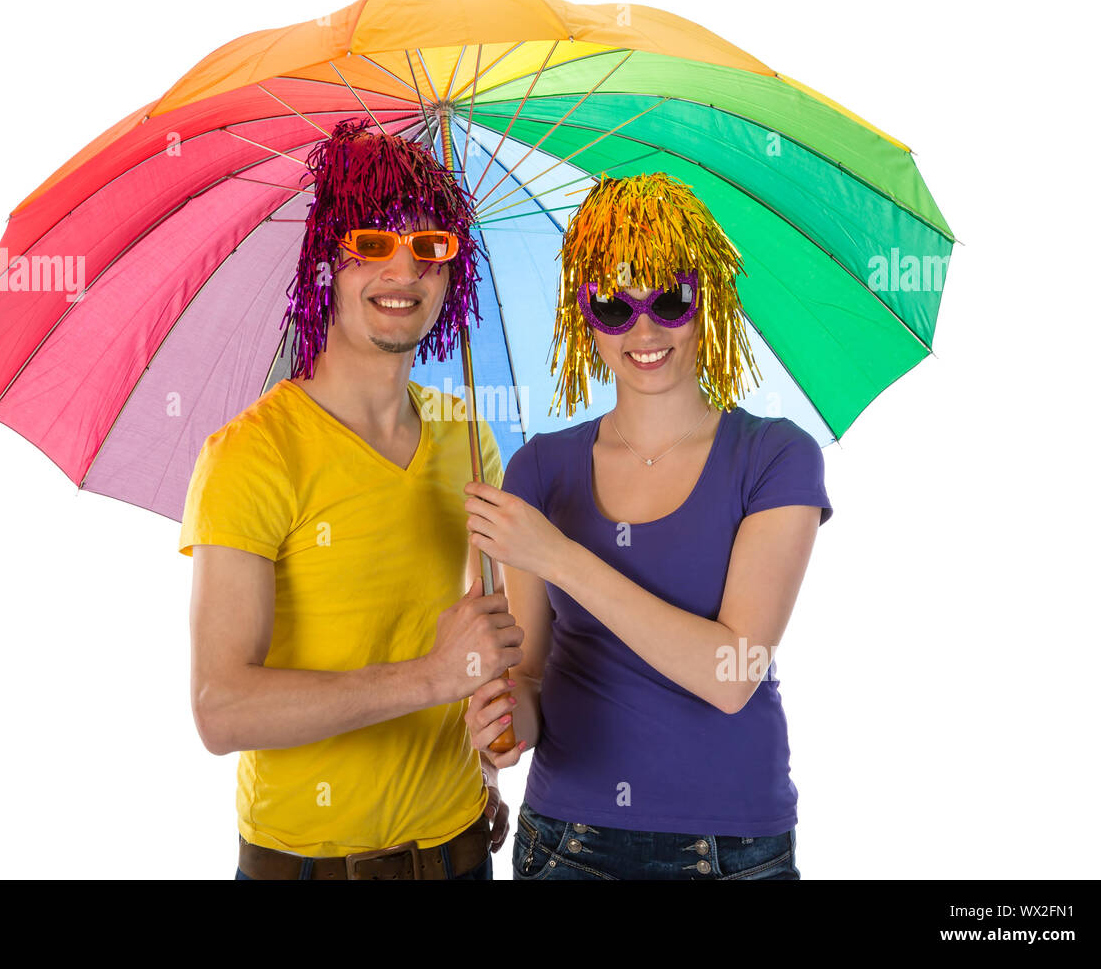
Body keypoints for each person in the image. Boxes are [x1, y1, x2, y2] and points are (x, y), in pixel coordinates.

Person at [178, 117, 523, 880]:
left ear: (452, 272)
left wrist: (491, 739)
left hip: (461, 857)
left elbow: (483, 667)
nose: (404, 273)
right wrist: (434, 677)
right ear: (326, 262)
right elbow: (221, 706)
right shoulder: (250, 454)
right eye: (372, 244)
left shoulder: (471, 444)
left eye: (430, 248)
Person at [463, 173, 832, 880]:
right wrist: (507, 725)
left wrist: (560, 556)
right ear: (581, 316)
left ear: (710, 302)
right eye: (612, 305)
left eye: (670, 299)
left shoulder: (776, 457)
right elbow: (535, 678)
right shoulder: (540, 469)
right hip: (567, 843)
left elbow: (731, 674)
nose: (644, 329)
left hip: (735, 850)